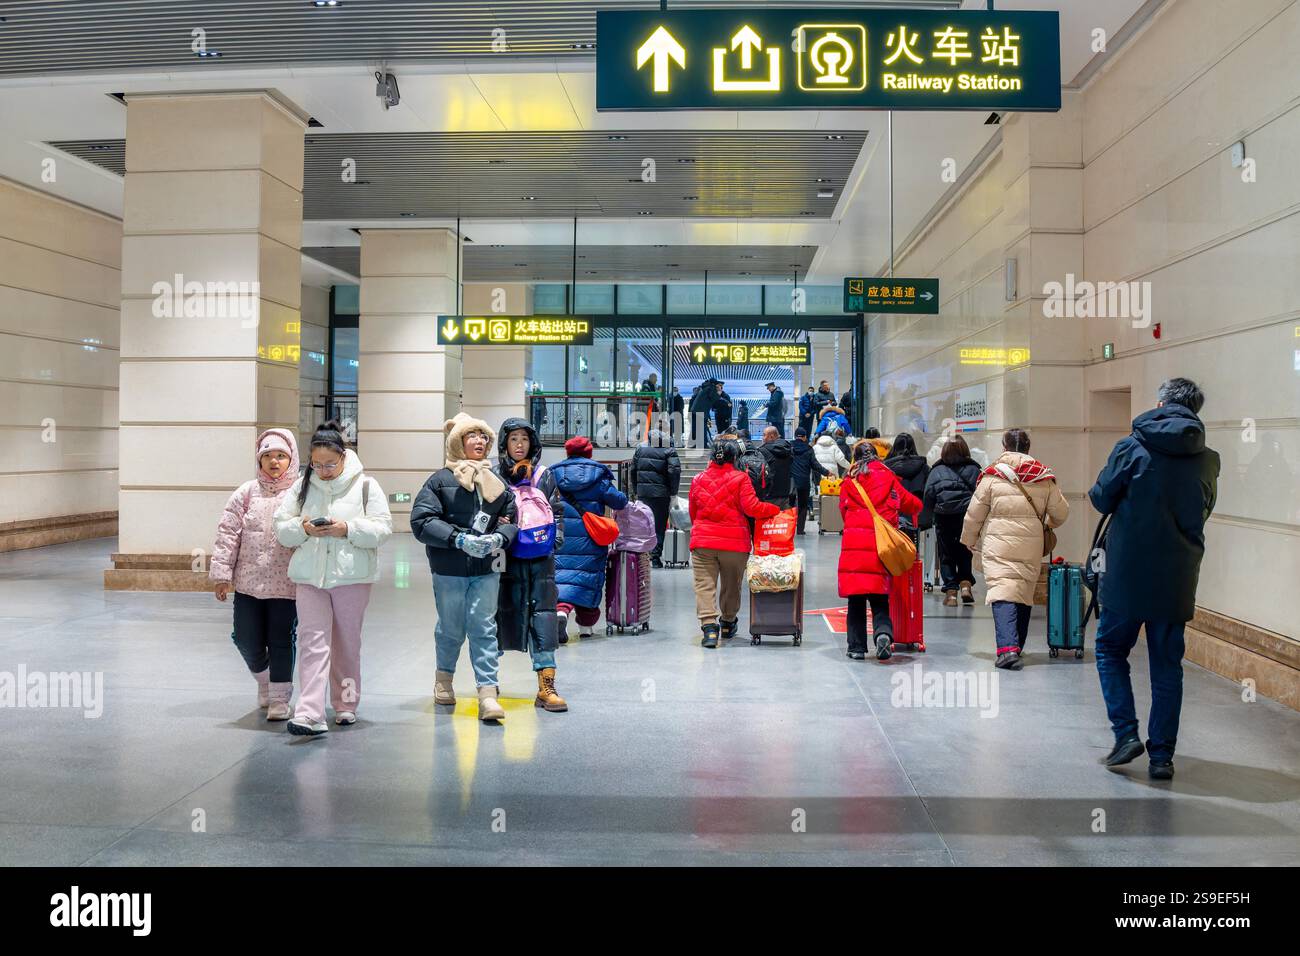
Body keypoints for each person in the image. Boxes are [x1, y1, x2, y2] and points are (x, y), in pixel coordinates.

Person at [1089, 378, 1220, 780]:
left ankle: (1126, 733)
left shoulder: (1131, 447)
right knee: (1167, 666)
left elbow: (1100, 498)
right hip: (1177, 575)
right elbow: (1205, 508)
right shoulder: (1208, 458)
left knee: (1111, 650)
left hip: (1127, 572)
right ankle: (1162, 756)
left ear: (1161, 402)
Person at [275, 421, 393, 736]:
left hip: (352, 578)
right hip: (309, 577)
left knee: (347, 643)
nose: (323, 470)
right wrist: (303, 527)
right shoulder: (301, 486)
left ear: (343, 457)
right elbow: (281, 528)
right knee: (312, 642)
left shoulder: (366, 486)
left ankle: (346, 704)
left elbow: (382, 528)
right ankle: (310, 712)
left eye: (330, 464)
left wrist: (348, 529)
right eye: (317, 464)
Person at [409, 414, 518, 722]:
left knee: (484, 628)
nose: (479, 442)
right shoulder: (439, 481)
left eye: (483, 437)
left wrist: (499, 537)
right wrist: (457, 539)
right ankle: (443, 680)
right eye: (472, 437)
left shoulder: (496, 483)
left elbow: (511, 521)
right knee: (450, 628)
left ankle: (488, 693)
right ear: (458, 442)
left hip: (487, 568)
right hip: (449, 570)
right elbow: (421, 522)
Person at [210, 428, 300, 721]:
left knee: (281, 639)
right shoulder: (246, 492)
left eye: (281, 456)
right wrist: (222, 574)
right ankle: (265, 681)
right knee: (245, 637)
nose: (274, 462)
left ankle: (279, 698)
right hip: (248, 583)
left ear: (292, 459)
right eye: (268, 456)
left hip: (287, 584)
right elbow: (227, 534)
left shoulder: (300, 493)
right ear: (259, 461)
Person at [960, 428, 1069, 670]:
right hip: (1031, 544)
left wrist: (969, 539)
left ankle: (1007, 650)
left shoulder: (992, 476)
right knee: (1023, 592)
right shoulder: (1043, 477)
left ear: (1004, 446)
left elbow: (974, 514)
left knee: (1002, 591)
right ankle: (1016, 645)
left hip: (997, 544)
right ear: (1028, 448)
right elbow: (1061, 513)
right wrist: (1045, 526)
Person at [494, 418, 568, 713]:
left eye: (524, 438)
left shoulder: (543, 475)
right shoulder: (494, 476)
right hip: (505, 557)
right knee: (496, 618)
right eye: (513, 439)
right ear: (505, 444)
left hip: (540, 556)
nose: (519, 444)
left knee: (544, 617)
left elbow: (557, 509)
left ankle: (546, 686)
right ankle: (489, 684)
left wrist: (556, 539)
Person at [688, 438, 780, 648]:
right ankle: (728, 623)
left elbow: (693, 512)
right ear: (735, 458)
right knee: (732, 585)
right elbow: (752, 508)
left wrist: (703, 530)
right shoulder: (741, 478)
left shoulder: (698, 479)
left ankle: (709, 629)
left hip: (703, 542)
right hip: (735, 544)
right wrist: (774, 509)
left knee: (704, 585)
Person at [838, 442, 921, 661]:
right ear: (877, 456)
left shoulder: (849, 480)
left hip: (854, 545)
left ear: (855, 458)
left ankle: (856, 648)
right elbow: (910, 503)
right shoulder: (888, 477)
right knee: (880, 597)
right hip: (881, 545)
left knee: (855, 600)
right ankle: (883, 633)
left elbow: (844, 511)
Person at [550, 436, 629, 641]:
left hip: (561, 535)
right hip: (590, 537)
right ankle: (586, 626)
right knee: (588, 578)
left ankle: (561, 612)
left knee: (561, 575)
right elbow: (618, 501)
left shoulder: (553, 474)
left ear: (567, 453)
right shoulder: (599, 476)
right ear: (589, 453)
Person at [923, 434, 982, 606]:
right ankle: (965, 584)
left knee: (946, 553)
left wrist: (927, 517)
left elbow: (929, 495)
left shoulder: (936, 471)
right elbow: (981, 496)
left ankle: (951, 592)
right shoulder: (974, 470)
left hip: (944, 516)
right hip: (966, 516)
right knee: (965, 550)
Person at [631, 428, 682, 568]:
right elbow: (674, 471)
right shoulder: (669, 450)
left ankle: (642, 556)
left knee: (644, 524)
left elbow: (633, 470)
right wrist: (673, 493)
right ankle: (655, 558)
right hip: (661, 494)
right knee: (659, 526)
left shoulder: (640, 449)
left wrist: (636, 490)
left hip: (643, 494)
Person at [884, 433, 931, 544]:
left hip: (890, 516)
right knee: (912, 550)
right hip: (914, 517)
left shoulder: (885, 468)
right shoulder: (923, 467)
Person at [788, 427, 828, 535]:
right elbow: (815, 465)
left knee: (790, 506)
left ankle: (789, 529)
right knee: (803, 506)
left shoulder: (789, 447)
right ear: (805, 437)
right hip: (804, 481)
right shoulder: (809, 449)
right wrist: (827, 472)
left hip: (791, 481)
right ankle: (800, 530)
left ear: (795, 436)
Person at [755, 425, 793, 507]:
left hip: (769, 493)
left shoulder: (763, 450)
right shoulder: (788, 448)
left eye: (764, 435)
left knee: (769, 519)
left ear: (771, 436)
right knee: (783, 518)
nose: (763, 437)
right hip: (785, 492)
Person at [688, 378, 716, 447]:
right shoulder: (708, 390)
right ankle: (704, 443)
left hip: (700, 414)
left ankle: (701, 443)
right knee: (703, 430)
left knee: (703, 429)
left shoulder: (700, 394)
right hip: (701, 414)